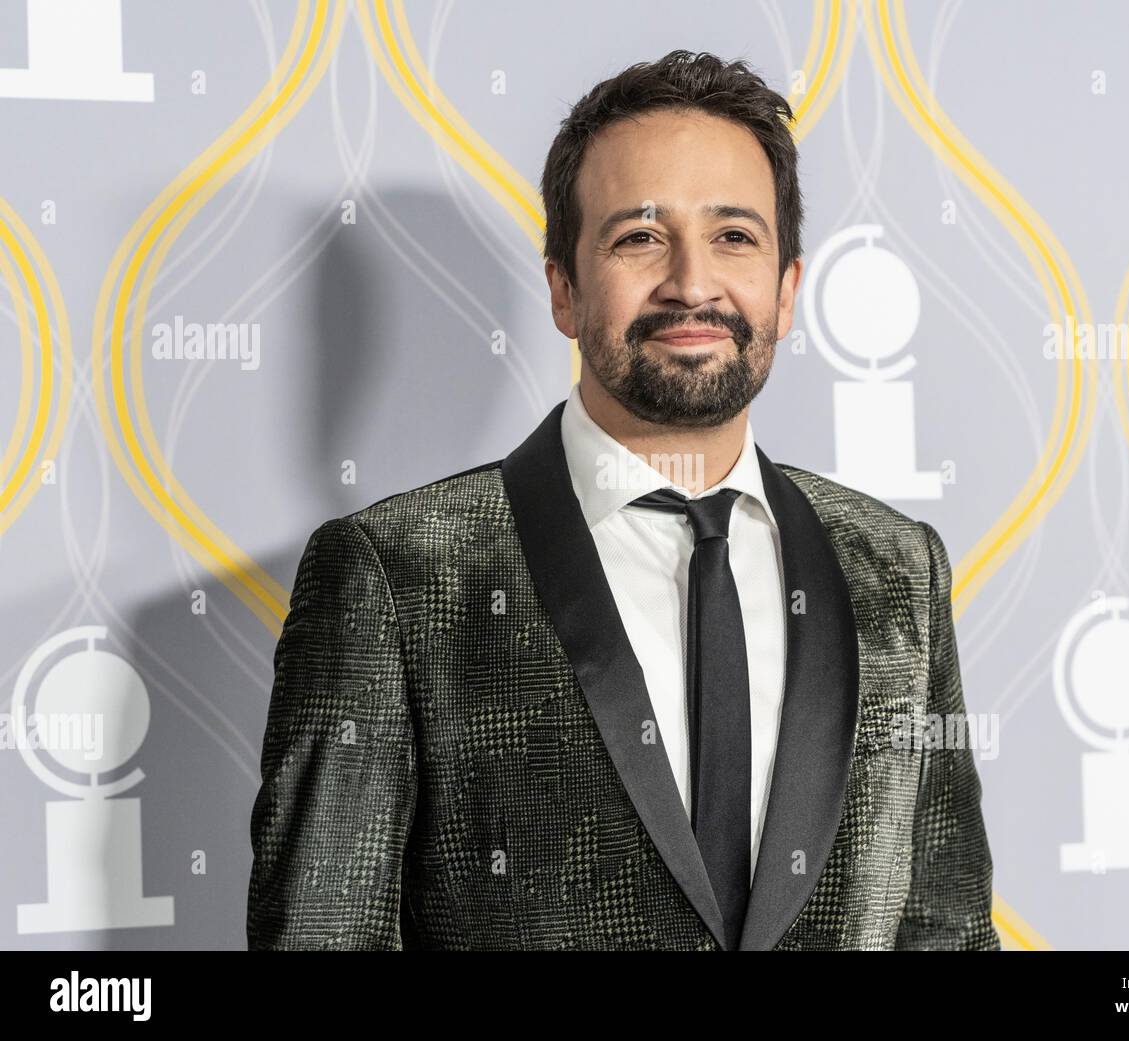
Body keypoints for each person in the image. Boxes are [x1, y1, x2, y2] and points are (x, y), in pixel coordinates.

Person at [246, 49, 999, 951]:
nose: (691, 281)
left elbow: (946, 933)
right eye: (639, 236)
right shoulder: (394, 575)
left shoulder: (896, 567)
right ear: (564, 287)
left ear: (788, 289)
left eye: (735, 236)